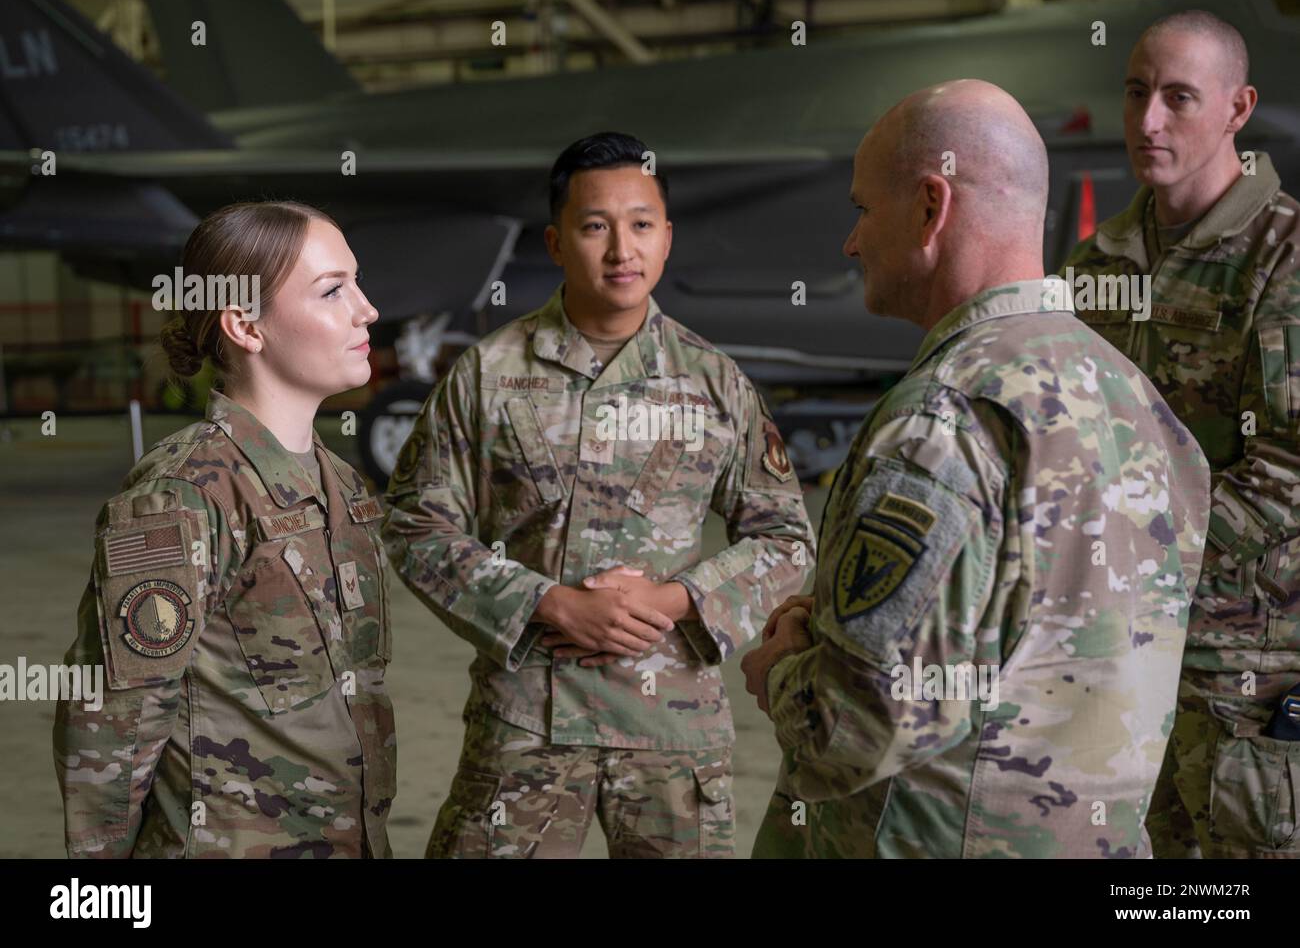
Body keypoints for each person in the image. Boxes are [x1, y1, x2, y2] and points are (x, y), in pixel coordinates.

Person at [741, 80, 1211, 858]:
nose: (851, 243)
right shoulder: (1135, 398)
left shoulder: (945, 417)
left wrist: (783, 665)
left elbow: (851, 728)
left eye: (862, 210)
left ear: (930, 208)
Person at [382, 132, 814, 858]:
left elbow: (786, 540)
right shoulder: (488, 374)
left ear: (667, 238)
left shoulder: (715, 382)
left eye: (641, 224)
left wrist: (675, 602)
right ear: (555, 242)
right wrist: (543, 603)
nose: (622, 249)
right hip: (526, 722)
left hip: (672, 725)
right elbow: (415, 526)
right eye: (594, 226)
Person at [53, 201, 396, 857]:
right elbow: (113, 719)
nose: (367, 309)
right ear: (245, 324)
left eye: (357, 281)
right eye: (333, 291)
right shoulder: (183, 496)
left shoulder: (342, 487)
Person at [1060, 10, 1300, 858]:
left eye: (1178, 98)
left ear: (1239, 108)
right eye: (1135, 93)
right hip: (1113, 672)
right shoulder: (1093, 270)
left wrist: (1127, 558)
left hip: (1244, 671)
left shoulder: (1285, 258)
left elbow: (1289, 465)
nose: (1148, 120)